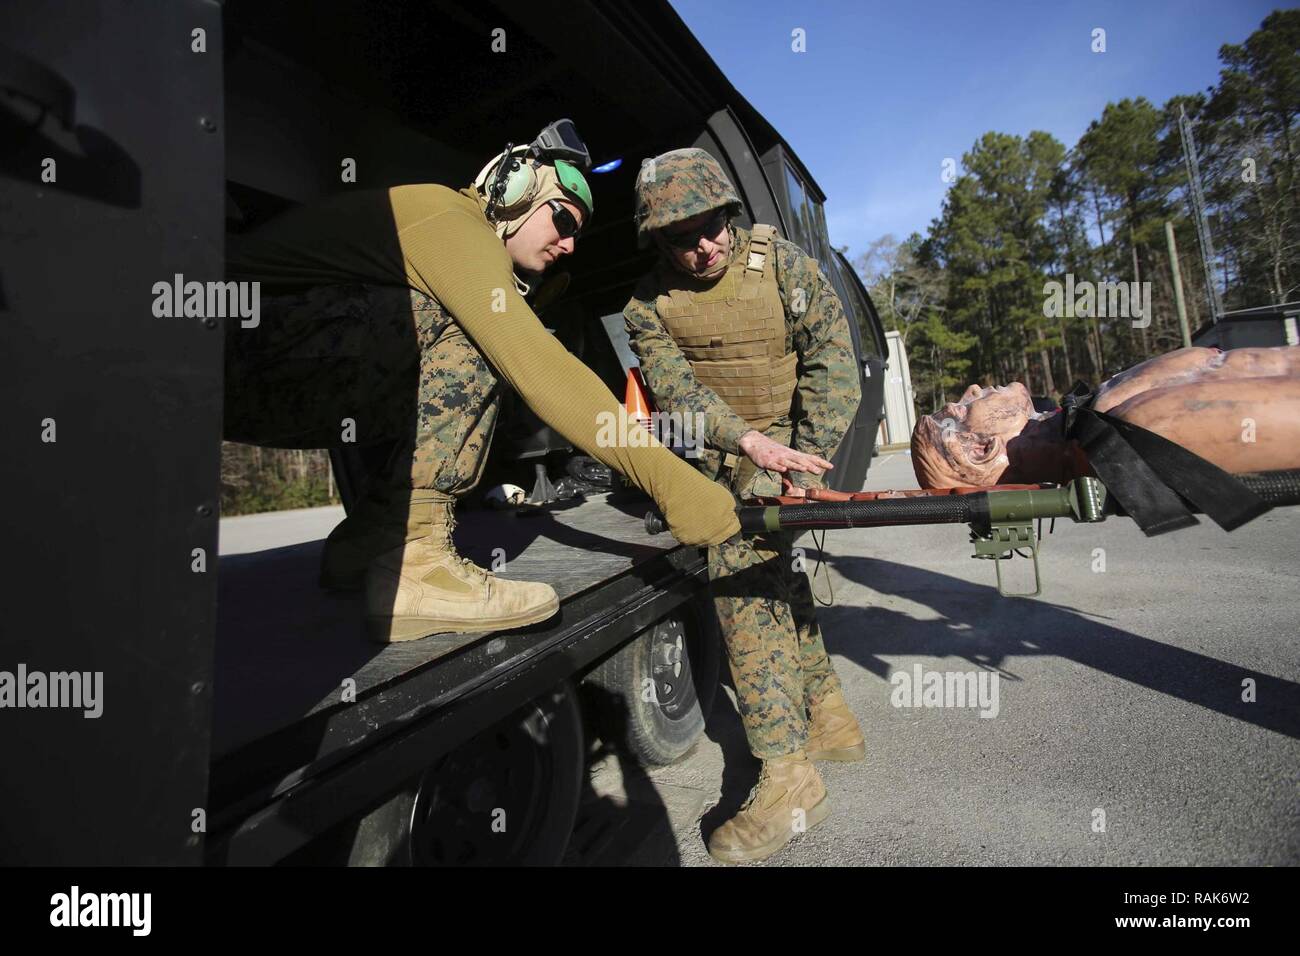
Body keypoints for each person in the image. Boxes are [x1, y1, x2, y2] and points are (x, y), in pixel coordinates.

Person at [224, 122, 740, 643]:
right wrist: (675, 483)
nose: (568, 244)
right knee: (478, 331)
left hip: (247, 364)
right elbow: (541, 369)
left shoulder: (449, 231)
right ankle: (417, 566)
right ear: (515, 190)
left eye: (577, 235)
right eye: (562, 220)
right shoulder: (450, 220)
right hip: (215, 349)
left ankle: (379, 537)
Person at [623, 148, 865, 863]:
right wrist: (750, 445)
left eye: (713, 226)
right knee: (770, 577)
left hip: (795, 453)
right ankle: (828, 718)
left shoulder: (783, 264)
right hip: (727, 458)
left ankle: (789, 774)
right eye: (682, 235)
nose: (705, 246)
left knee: (740, 583)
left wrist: (805, 461)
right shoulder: (645, 306)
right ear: (656, 240)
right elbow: (679, 397)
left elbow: (833, 357)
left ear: (731, 215)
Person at [911, 346, 1300, 489]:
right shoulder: (1134, 429)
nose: (973, 390)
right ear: (981, 449)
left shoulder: (1105, 414)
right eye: (960, 410)